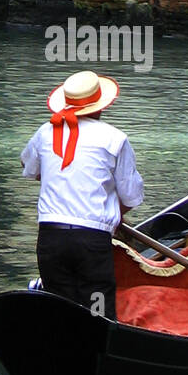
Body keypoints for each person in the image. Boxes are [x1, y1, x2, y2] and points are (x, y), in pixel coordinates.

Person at [20, 69, 144, 320]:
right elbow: (131, 197)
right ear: (101, 106)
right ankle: (98, 354)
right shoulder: (115, 139)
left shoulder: (45, 132)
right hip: (92, 239)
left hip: (50, 238)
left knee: (59, 309)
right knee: (97, 313)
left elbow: (31, 170)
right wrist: (113, 218)